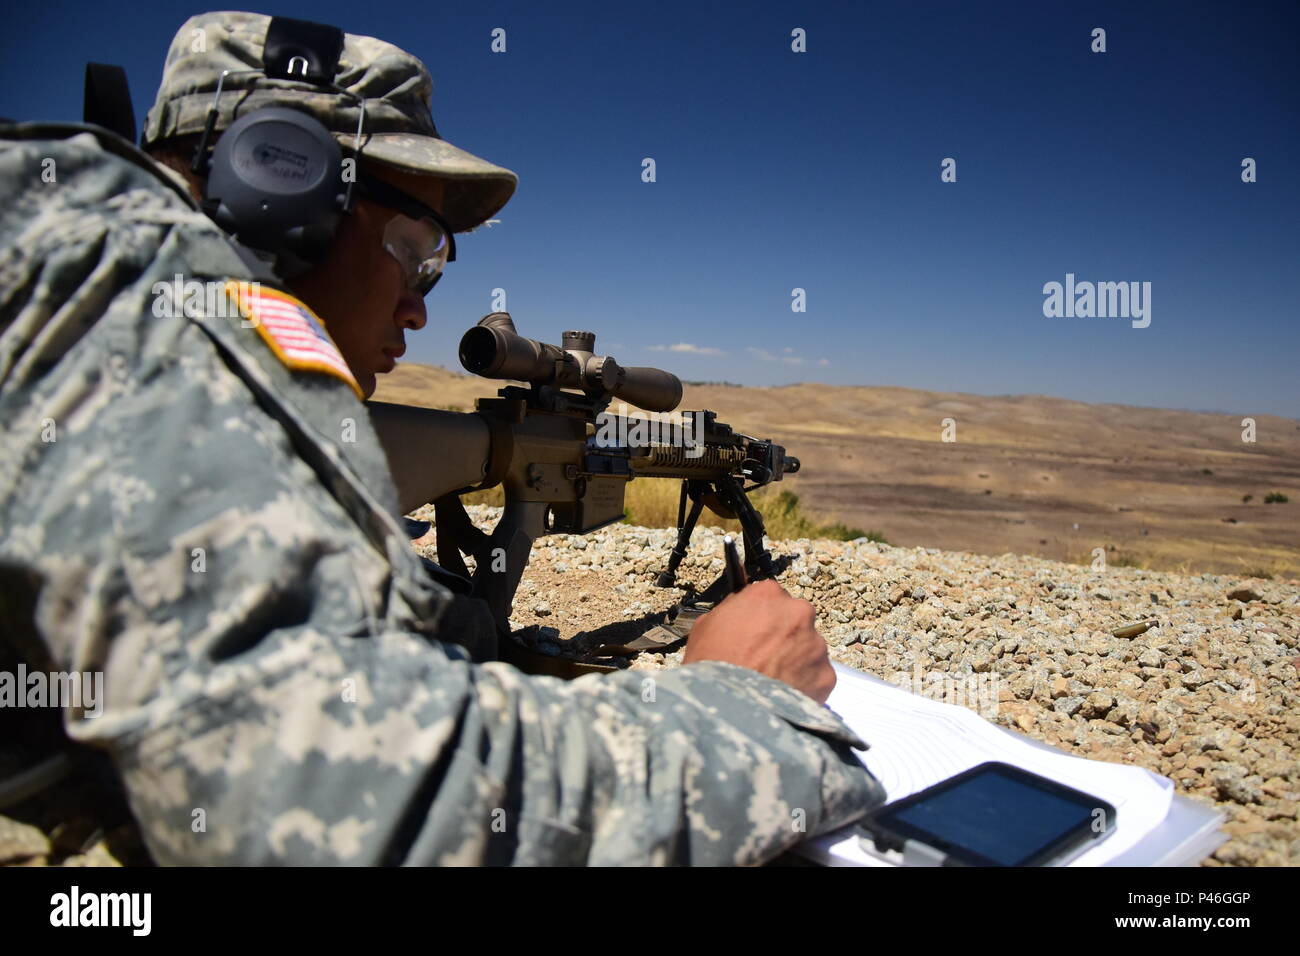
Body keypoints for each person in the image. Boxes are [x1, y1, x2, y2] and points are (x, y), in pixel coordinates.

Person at [0, 11, 884, 865]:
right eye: (417, 246)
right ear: (284, 184)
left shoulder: (75, 267)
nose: (421, 306)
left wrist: (459, 631)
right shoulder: (150, 308)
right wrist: (739, 706)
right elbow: (335, 812)